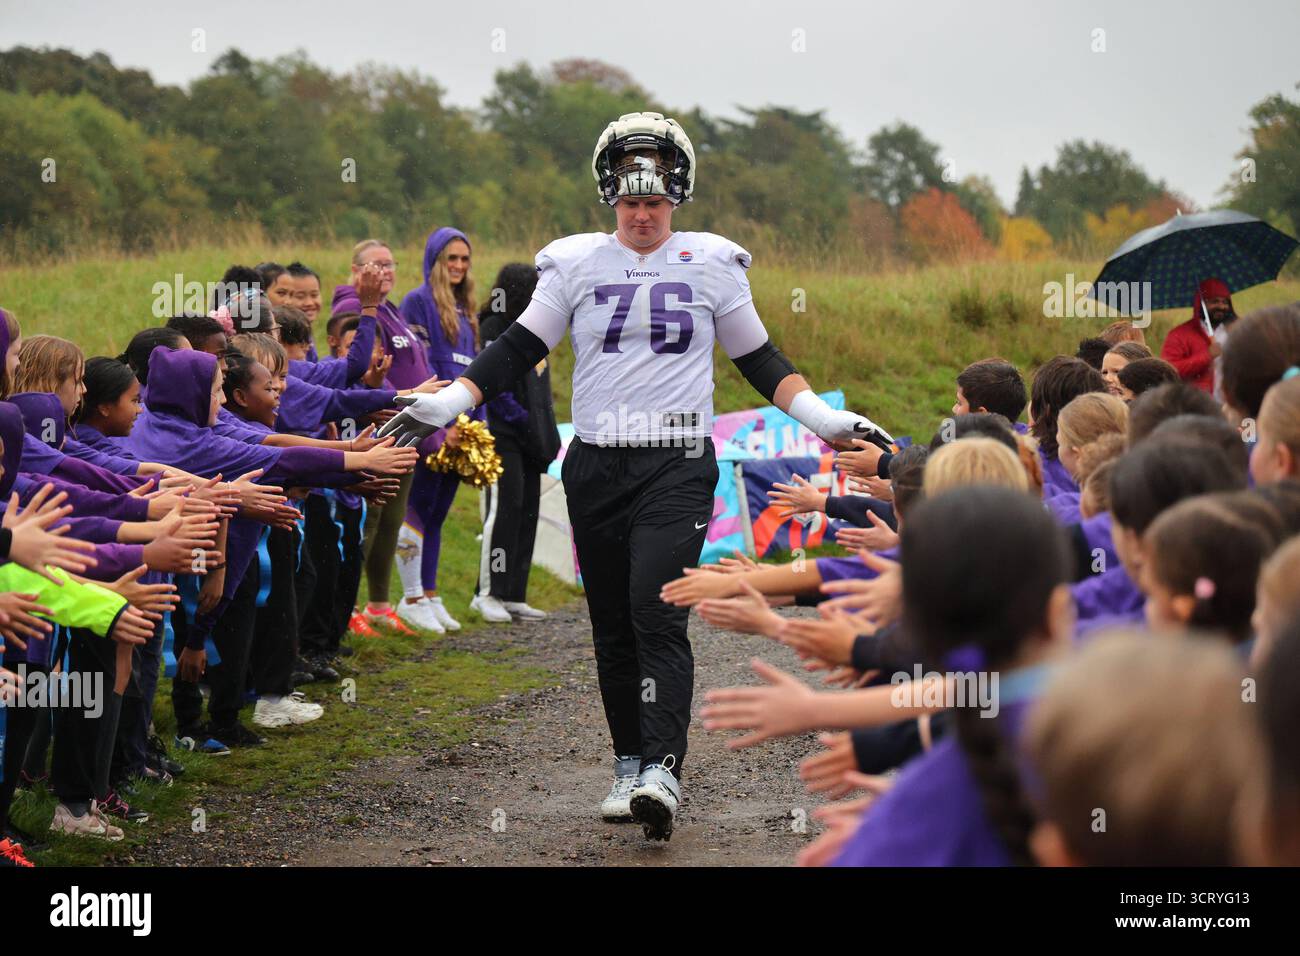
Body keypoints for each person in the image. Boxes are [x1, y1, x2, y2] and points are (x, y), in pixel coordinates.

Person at [377, 110, 891, 841]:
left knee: (656, 608)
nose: (643, 213)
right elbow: (520, 347)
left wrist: (821, 419)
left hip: (676, 463)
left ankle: (664, 769)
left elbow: (760, 359)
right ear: (609, 197)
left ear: (676, 197)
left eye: (654, 201)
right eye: (630, 201)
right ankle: (628, 762)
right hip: (595, 463)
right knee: (613, 621)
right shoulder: (576, 262)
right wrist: (452, 401)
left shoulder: (711, 263)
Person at [474, 263, 561, 622]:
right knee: (504, 511)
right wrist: (522, 420)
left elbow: (539, 389)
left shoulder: (537, 330)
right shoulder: (494, 326)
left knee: (526, 512)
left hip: (531, 439)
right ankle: (487, 592)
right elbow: (496, 387)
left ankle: (513, 592)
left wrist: (542, 429)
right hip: (503, 436)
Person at [1159, 277, 1235, 393]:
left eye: (1225, 302)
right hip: (1196, 404)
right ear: (1201, 304)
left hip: (1231, 404)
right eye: (1215, 301)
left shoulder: (1236, 331)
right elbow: (1169, 370)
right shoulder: (1179, 335)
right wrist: (1207, 356)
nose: (1221, 306)